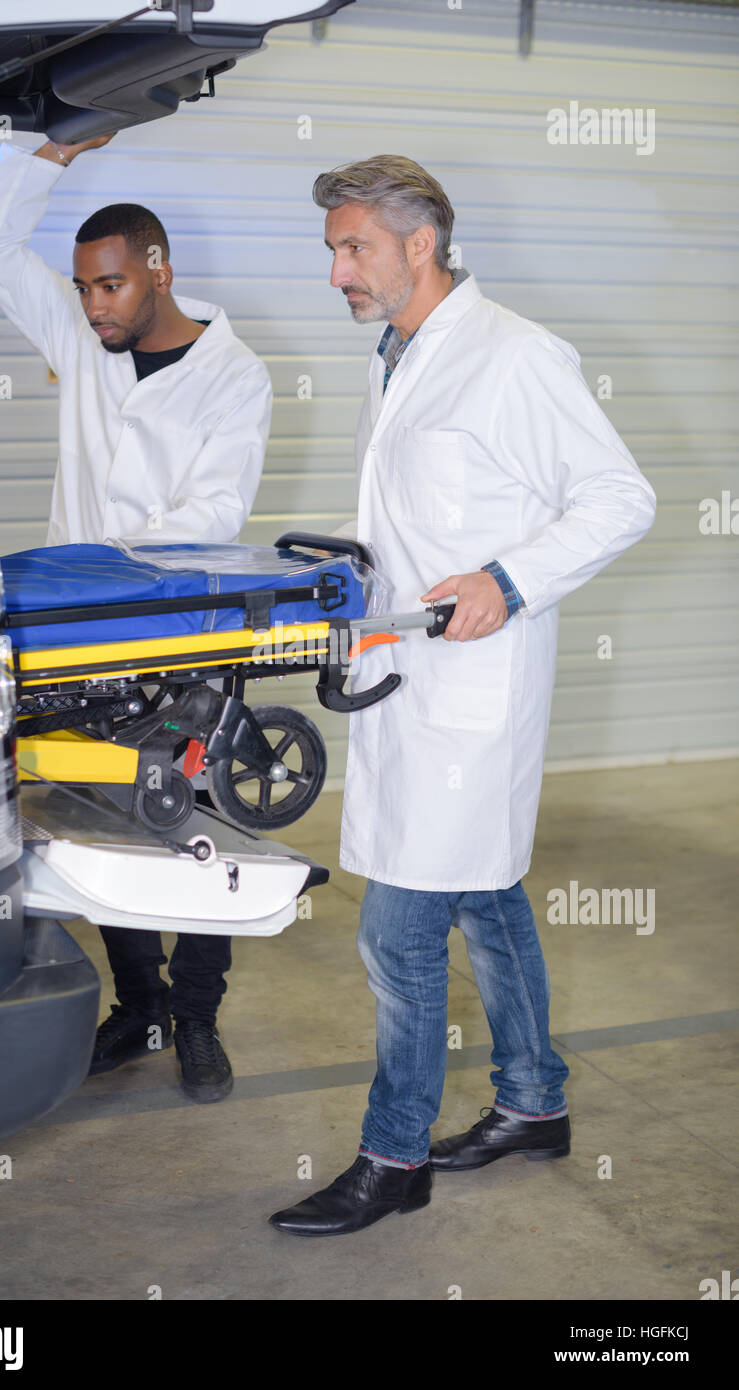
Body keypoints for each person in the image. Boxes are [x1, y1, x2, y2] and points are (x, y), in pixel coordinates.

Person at [269, 154, 657, 1236]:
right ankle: (534, 1100)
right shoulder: (398, 355)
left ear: (418, 244)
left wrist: (508, 580)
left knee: (396, 932)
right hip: (404, 679)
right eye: (334, 249)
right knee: (484, 897)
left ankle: (392, 1156)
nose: (338, 270)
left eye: (354, 247)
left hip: (475, 691)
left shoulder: (516, 356)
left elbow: (622, 497)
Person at [0, 132, 273, 1103]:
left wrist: (102, 568)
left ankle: (198, 1018)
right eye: (83, 288)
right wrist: (49, 153)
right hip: (77, 641)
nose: (93, 305)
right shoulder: (80, 341)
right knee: (104, 825)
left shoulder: (237, 375)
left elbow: (210, 518)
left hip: (186, 638)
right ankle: (136, 1009)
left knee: (199, 825)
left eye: (111, 287)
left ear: (157, 270)